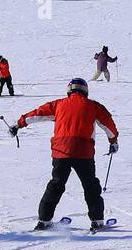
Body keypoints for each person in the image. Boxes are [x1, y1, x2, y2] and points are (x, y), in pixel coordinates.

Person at [10, 78, 119, 232]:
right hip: (83, 153)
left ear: (69, 90)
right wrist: (113, 141)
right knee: (90, 186)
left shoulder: (58, 105)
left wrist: (18, 124)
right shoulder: (94, 106)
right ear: (85, 91)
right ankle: (97, 221)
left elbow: (37, 114)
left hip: (61, 152)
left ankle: (44, 220)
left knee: (56, 185)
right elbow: (108, 124)